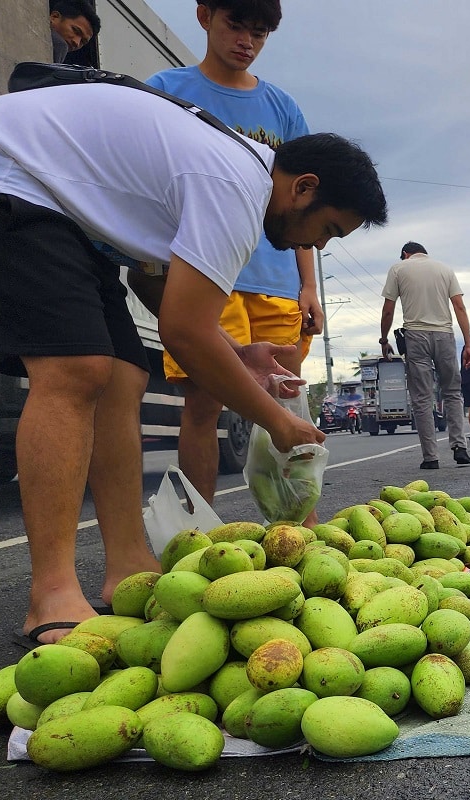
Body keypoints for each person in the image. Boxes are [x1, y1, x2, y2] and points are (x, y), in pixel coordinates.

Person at [0, 83, 388, 644]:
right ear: (304, 187)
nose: (314, 246)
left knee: (124, 374)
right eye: (327, 230)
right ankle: (50, 596)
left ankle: (127, 569)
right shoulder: (235, 188)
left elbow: (155, 283)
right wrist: (278, 421)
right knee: (78, 368)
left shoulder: (230, 171)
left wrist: (238, 354)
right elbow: (184, 335)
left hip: (55, 205)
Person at [148, 0, 322, 525]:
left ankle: (297, 529)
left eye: (260, 32)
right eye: (236, 24)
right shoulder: (167, 89)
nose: (247, 40)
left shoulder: (282, 106)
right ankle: (201, 529)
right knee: (204, 404)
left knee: (284, 404)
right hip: (203, 274)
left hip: (275, 279)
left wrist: (308, 286)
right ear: (204, 16)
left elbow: (307, 202)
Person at [379, 242, 470, 469]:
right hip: (444, 335)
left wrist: (384, 339)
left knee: (422, 397)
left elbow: (388, 309)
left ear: (405, 254)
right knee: (452, 392)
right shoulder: (445, 269)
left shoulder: (398, 269)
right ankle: (459, 447)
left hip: (416, 336)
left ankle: (431, 457)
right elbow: (459, 306)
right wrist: (468, 343)